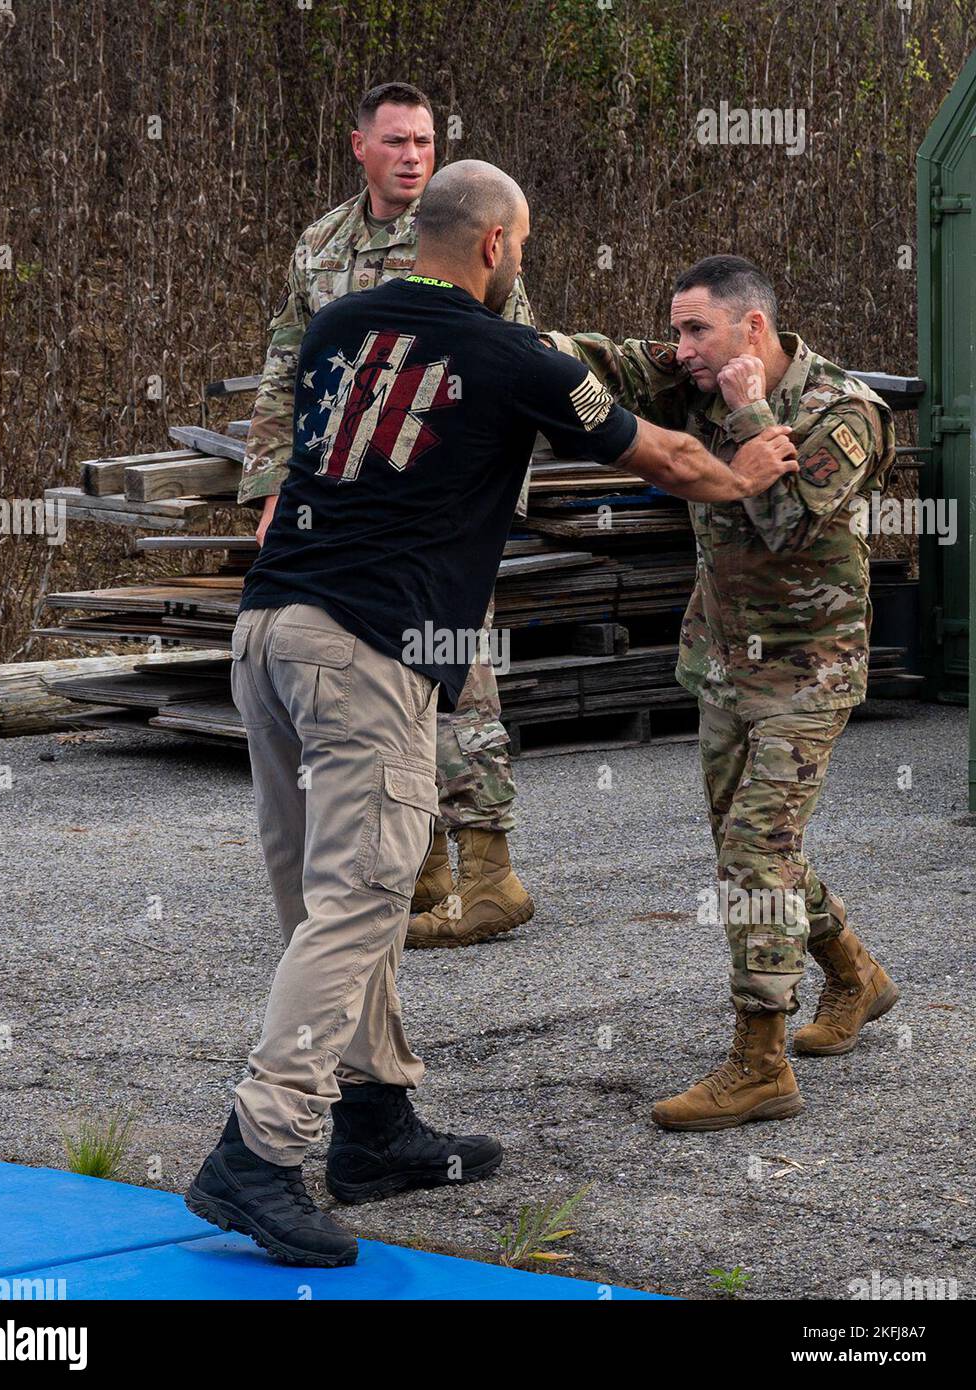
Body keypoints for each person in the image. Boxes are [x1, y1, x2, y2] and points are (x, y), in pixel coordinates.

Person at [186, 168, 798, 1266]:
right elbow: (658, 457)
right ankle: (260, 1151)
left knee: (330, 902)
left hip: (266, 630)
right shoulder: (512, 356)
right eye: (521, 244)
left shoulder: (336, 324)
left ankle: (372, 1125)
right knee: (362, 896)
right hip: (363, 648)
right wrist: (742, 464)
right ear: (495, 246)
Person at [545, 255, 900, 1133]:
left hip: (809, 667)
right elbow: (602, 362)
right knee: (755, 849)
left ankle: (760, 1063)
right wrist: (504, 337)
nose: (681, 348)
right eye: (676, 329)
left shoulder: (845, 413)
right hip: (725, 663)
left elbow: (785, 524)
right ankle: (855, 976)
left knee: (753, 853)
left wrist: (749, 413)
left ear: (753, 329)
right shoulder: (693, 379)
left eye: (695, 330)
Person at [238, 81, 534, 950]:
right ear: (359, 145)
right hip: (339, 504)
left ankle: (491, 870)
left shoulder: (463, 231)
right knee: (372, 677)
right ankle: (417, 866)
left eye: (426, 141)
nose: (414, 155)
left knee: (454, 672)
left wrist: (486, 511)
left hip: (434, 505)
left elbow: (514, 367)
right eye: (398, 141)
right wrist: (269, 490)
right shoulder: (321, 246)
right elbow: (285, 369)